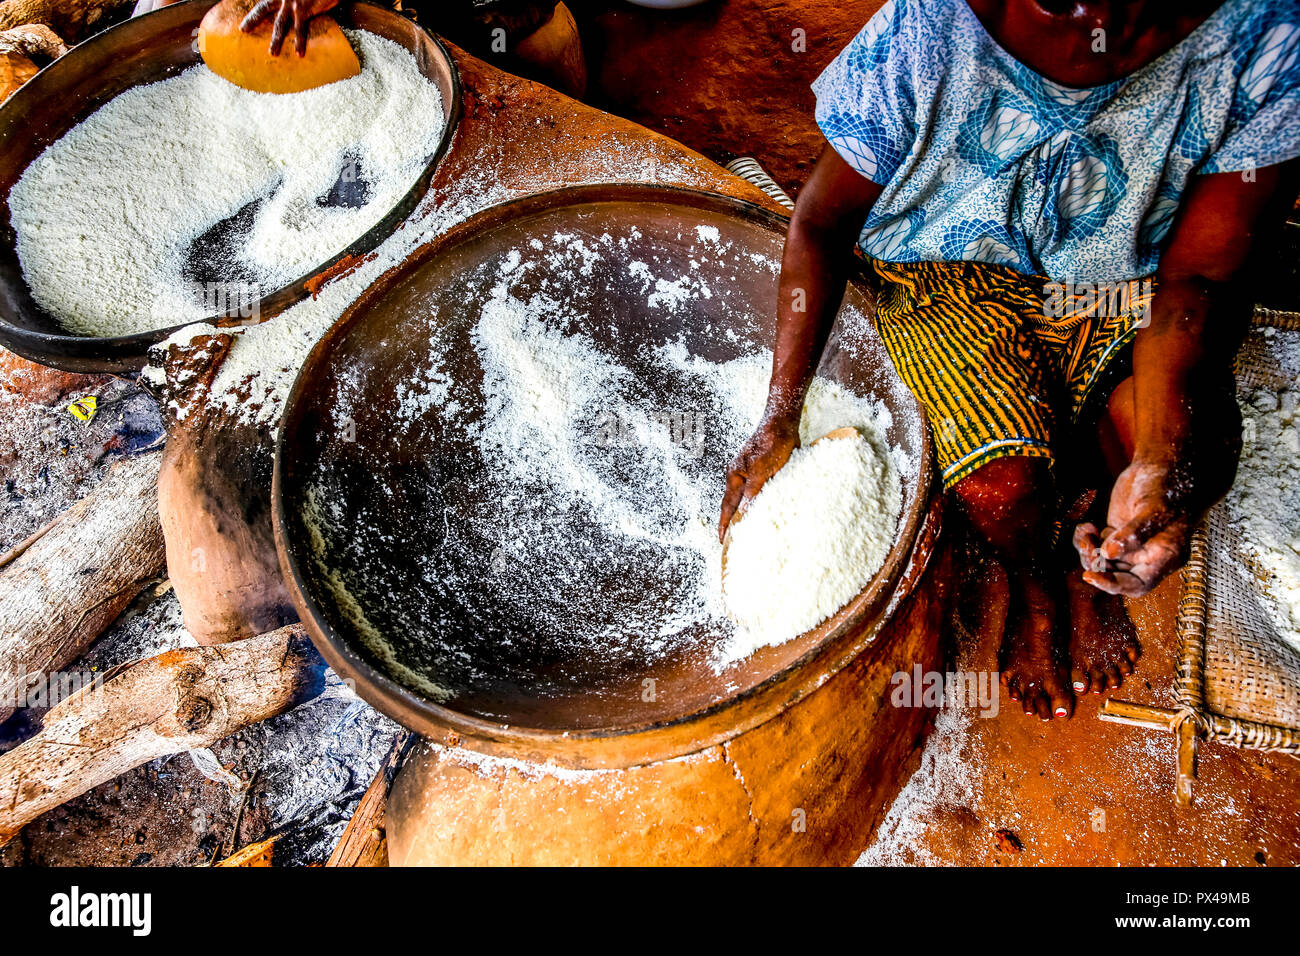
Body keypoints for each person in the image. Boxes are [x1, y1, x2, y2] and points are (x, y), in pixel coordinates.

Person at [718, 0, 1300, 720]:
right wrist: (781, 415)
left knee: (1156, 434)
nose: (1086, 13)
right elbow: (821, 219)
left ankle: (1093, 574)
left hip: (1125, 274)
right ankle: (1036, 590)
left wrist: (1162, 469)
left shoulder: (1263, 39)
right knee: (1002, 485)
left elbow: (1202, 283)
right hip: (941, 263)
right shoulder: (937, 23)